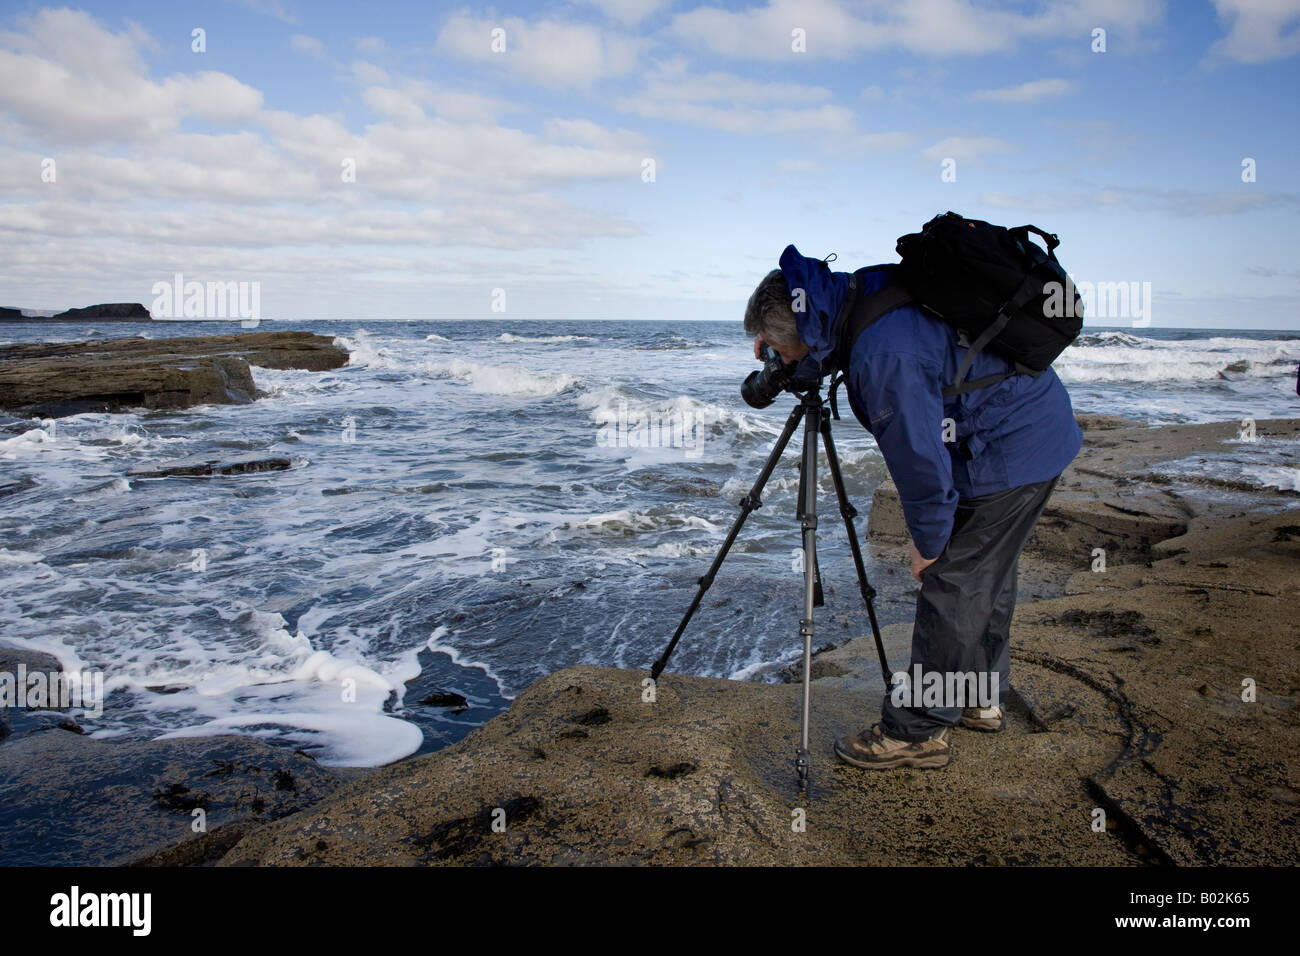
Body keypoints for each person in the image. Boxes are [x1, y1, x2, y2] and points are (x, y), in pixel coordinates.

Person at [743, 244, 1083, 769]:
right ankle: (978, 696)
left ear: (799, 332)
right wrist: (793, 365)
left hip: (1010, 449)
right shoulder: (853, 298)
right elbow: (841, 351)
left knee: (954, 582)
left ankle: (916, 732)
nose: (768, 355)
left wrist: (929, 542)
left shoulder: (883, 356)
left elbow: (919, 460)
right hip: (1022, 430)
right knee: (984, 575)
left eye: (771, 345)